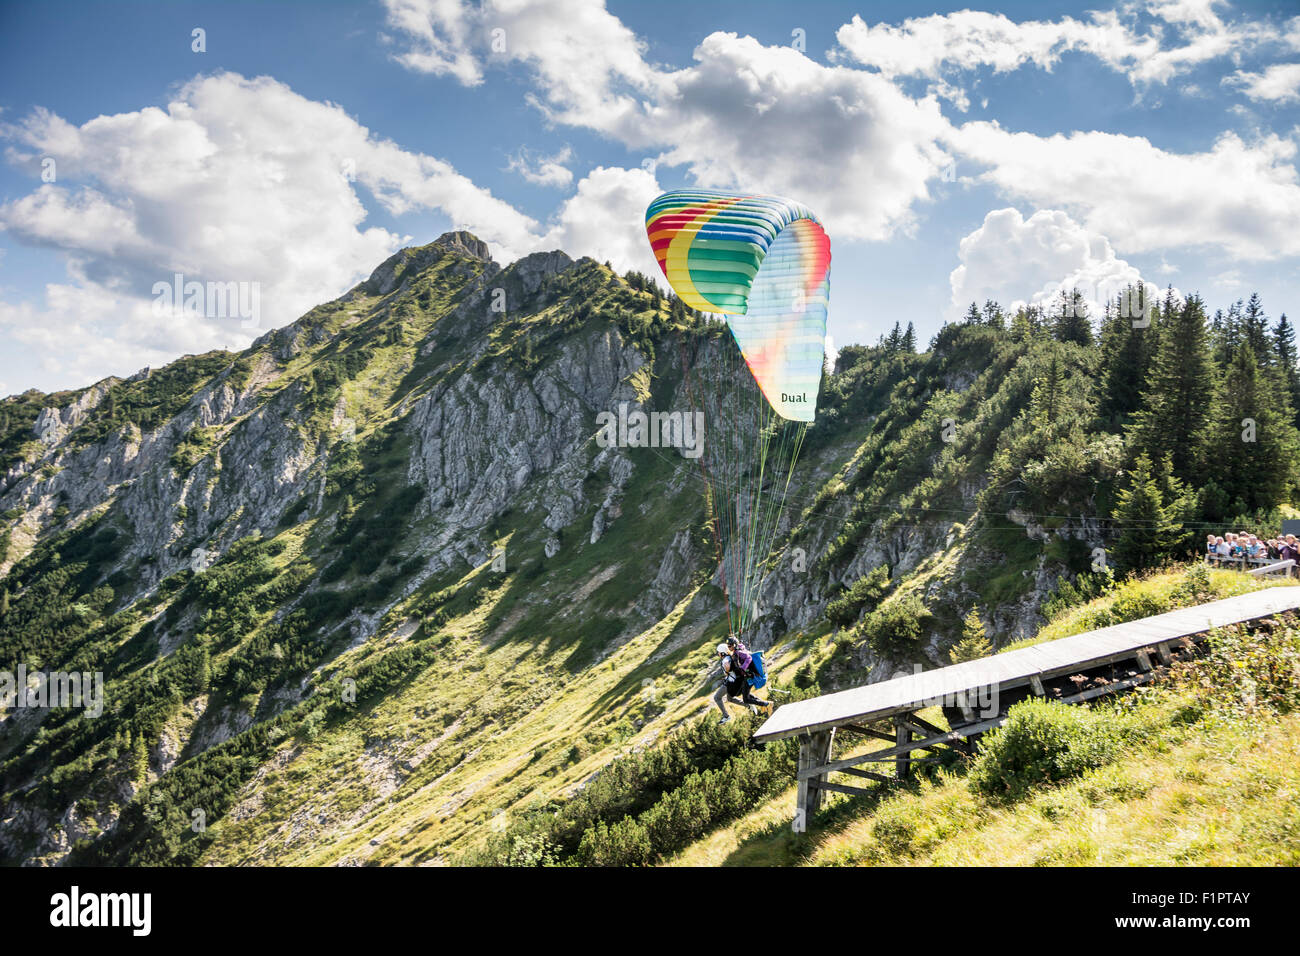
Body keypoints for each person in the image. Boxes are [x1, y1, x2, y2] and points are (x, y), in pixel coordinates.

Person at [712, 638, 773, 723]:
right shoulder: (733, 654)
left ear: (722, 653)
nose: (718, 654)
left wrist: (729, 670)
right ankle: (756, 705)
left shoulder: (727, 659)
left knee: (717, 697)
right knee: (733, 698)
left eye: (719, 652)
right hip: (739, 681)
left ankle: (727, 716)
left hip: (731, 683)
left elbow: (744, 659)